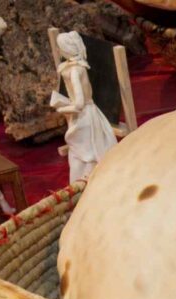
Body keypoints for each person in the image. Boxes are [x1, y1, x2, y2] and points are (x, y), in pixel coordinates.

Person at [51, 31, 117, 185]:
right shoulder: (76, 66)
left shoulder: (74, 70)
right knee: (86, 151)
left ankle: (86, 183)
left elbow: (79, 103)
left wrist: (62, 109)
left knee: (85, 154)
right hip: (86, 114)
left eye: (60, 48)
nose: (59, 51)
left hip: (84, 117)